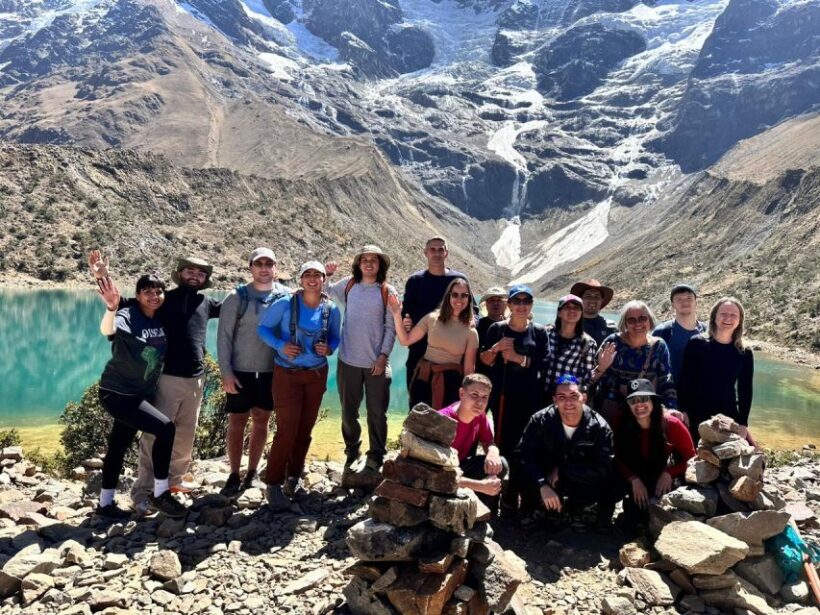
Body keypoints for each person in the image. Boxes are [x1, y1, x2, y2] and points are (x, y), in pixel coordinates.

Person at [89, 251, 221, 515]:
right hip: (141, 386)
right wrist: (103, 277)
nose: (194, 276)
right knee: (160, 432)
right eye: (189, 270)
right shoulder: (153, 304)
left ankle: (113, 501)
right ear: (180, 274)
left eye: (200, 273)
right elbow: (114, 311)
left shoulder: (197, 304)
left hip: (181, 383)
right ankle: (150, 492)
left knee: (138, 442)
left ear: (205, 279)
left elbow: (238, 307)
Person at [94, 274, 187, 519]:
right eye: (147, 292)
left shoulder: (160, 317)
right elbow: (107, 329)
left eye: (158, 292)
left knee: (118, 445)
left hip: (139, 393)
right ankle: (160, 493)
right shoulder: (128, 314)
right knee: (165, 428)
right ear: (137, 295)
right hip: (117, 392)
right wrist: (111, 307)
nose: (154, 296)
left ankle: (105, 504)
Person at [257, 261, 341, 511]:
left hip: (316, 375)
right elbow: (263, 329)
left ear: (324, 279)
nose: (312, 279)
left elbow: (335, 337)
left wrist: (329, 349)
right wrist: (280, 345)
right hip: (287, 374)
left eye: (317, 275)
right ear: (301, 280)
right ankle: (273, 482)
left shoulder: (331, 309)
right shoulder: (285, 303)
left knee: (305, 429)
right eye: (307, 275)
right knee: (287, 429)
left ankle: (293, 477)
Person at [216, 248, 290, 498]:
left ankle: (252, 472)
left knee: (262, 419)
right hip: (240, 371)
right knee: (237, 421)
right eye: (259, 264)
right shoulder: (236, 297)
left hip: (270, 371)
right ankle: (233, 474)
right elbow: (224, 338)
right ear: (251, 268)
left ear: (275, 268)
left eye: (269, 263)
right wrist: (226, 372)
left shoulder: (286, 296)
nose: (264, 268)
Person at [324, 245, 397, 474]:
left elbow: (391, 327)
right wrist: (327, 275)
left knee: (377, 414)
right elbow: (325, 291)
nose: (368, 263)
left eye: (373, 260)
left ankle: (376, 455)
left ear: (380, 264)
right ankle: (352, 452)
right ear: (358, 264)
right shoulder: (349, 284)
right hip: (348, 361)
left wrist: (383, 356)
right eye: (364, 259)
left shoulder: (387, 290)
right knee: (348, 413)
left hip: (377, 363)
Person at [478, 285, 548, 515]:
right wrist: (496, 349)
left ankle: (520, 495)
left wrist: (518, 358)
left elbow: (544, 364)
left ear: (531, 305)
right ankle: (499, 496)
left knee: (526, 447)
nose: (521, 306)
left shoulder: (539, 332)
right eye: (516, 301)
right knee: (503, 446)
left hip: (530, 399)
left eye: (526, 301)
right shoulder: (497, 329)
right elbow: (484, 360)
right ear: (509, 305)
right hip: (502, 398)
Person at [517, 375, 619, 529]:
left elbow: (603, 466)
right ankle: (532, 508)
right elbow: (525, 455)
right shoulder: (540, 420)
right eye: (561, 397)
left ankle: (581, 510)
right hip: (546, 475)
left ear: (584, 398)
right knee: (520, 466)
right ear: (554, 400)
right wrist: (542, 484)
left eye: (574, 396)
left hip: (578, 478)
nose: (568, 402)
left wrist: (564, 470)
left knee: (610, 478)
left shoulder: (600, 428)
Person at [615, 379, 695, 532]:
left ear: (653, 401)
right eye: (633, 400)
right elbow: (615, 455)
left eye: (644, 399)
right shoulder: (620, 421)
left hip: (659, 474)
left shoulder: (672, 424)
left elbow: (692, 459)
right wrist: (632, 478)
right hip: (632, 474)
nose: (639, 405)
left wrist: (669, 473)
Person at [389, 277, 478, 409]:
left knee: (444, 421)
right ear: (448, 296)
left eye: (464, 295)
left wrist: (467, 396)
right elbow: (405, 340)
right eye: (455, 294)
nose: (459, 299)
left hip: (451, 384)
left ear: (469, 298)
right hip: (423, 378)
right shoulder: (431, 318)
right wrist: (397, 314)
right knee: (419, 420)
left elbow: (469, 370)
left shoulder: (471, 332)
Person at [401, 237, 472, 403]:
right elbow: (406, 311)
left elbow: (472, 309)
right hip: (420, 352)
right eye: (432, 249)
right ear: (425, 253)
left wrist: (473, 320)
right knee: (417, 405)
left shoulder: (458, 279)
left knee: (449, 406)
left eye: (441, 250)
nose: (437, 253)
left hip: (451, 357)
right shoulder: (415, 281)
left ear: (446, 253)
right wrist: (406, 322)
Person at [678, 297, 754, 442]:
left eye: (733, 315)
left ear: (740, 320)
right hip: (696, 415)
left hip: (728, 417)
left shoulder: (744, 351)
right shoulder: (697, 343)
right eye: (723, 314)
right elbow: (685, 380)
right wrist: (683, 410)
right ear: (714, 317)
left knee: (745, 455)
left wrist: (743, 422)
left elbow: (745, 390)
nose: (728, 318)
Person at [595, 300, 676, 427]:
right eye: (631, 320)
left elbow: (666, 379)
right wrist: (620, 386)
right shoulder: (613, 342)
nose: (638, 323)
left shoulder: (659, 346)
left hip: (645, 408)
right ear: (624, 323)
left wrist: (671, 407)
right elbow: (597, 372)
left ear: (649, 320)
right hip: (614, 408)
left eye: (642, 318)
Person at [437, 374, 507, 514]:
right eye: (474, 395)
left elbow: (488, 441)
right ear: (462, 393)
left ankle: (484, 515)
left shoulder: (479, 415)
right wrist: (480, 486)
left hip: (460, 467)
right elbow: (436, 474)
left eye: (485, 397)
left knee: (500, 464)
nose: (480, 402)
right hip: (440, 475)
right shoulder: (443, 421)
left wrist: (493, 452)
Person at [543, 294, 608, 400]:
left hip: (566, 400)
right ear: (559, 313)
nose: (572, 310)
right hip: (540, 395)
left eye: (577, 308)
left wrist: (601, 368)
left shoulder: (587, 343)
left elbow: (586, 379)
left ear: (581, 314)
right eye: (567, 307)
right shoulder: (546, 334)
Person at [652, 284, 707, 383]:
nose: (685, 302)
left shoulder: (707, 331)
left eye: (689, 298)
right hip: (670, 391)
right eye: (679, 299)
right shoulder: (662, 332)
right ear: (673, 305)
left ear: (696, 302)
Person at [570, 279, 617, 347]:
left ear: (601, 300)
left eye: (597, 297)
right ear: (581, 299)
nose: (592, 300)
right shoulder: (569, 326)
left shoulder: (612, 328)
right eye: (588, 296)